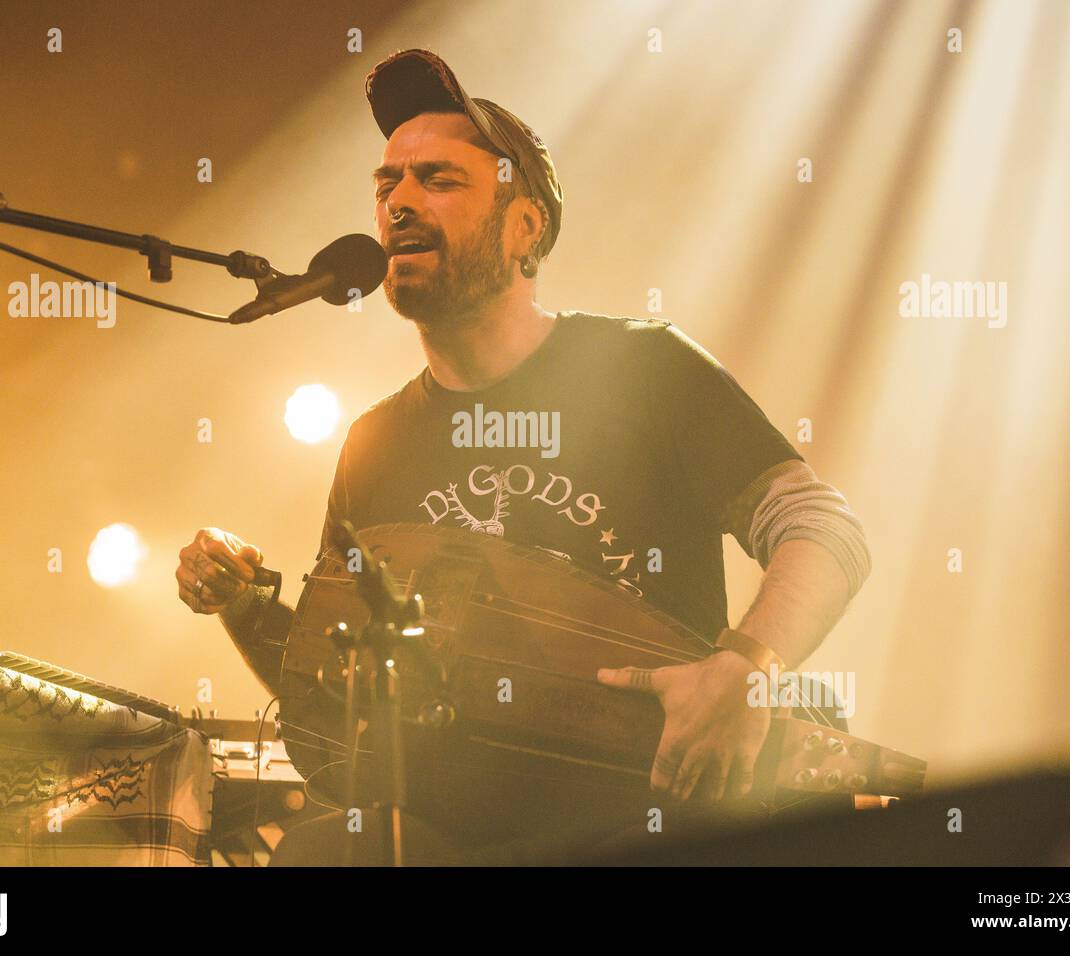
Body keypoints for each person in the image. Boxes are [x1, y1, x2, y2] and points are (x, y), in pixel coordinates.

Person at [175, 49, 870, 862]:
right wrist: (243, 605)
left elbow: (823, 528)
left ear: (524, 225)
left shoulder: (643, 368)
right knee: (326, 851)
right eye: (386, 184)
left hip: (637, 817)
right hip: (449, 838)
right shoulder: (374, 442)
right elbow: (345, 684)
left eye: (438, 180)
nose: (399, 202)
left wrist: (746, 667)